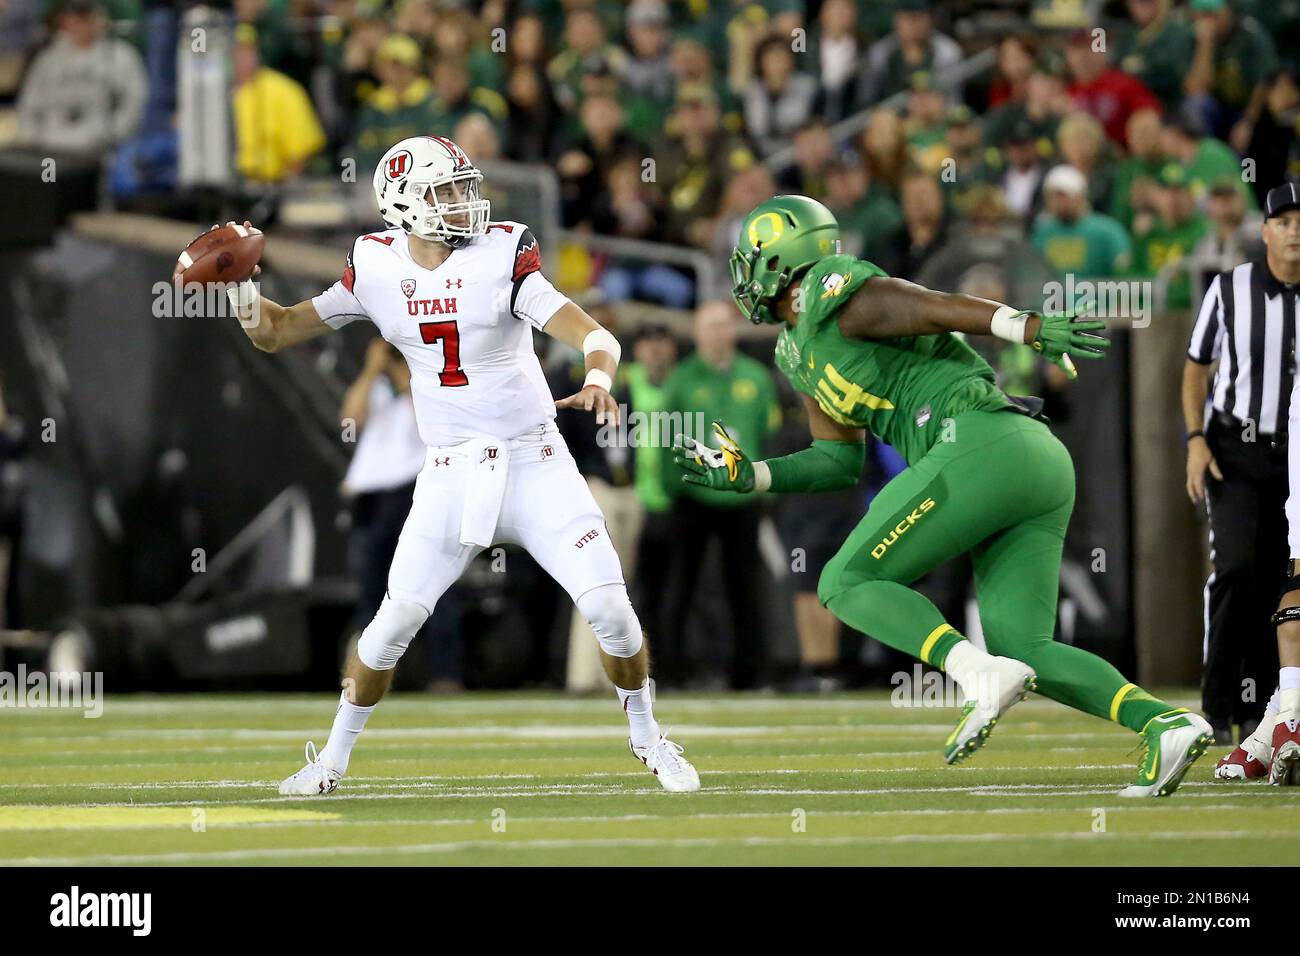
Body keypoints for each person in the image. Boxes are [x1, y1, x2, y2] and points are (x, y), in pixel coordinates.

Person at [200, 135, 699, 794]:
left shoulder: (503, 253)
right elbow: (278, 330)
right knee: (389, 627)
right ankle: (330, 762)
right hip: (451, 472)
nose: (464, 202)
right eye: (444, 192)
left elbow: (593, 333)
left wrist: (601, 374)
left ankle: (648, 738)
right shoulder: (374, 265)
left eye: (464, 186)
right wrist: (238, 290)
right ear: (402, 205)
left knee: (611, 608)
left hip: (535, 459)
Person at [676, 194, 1214, 796]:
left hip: (979, 440)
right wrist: (756, 476)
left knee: (843, 583)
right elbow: (838, 459)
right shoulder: (792, 348)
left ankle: (975, 673)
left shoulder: (834, 288)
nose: (743, 276)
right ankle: (1163, 723)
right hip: (1029, 459)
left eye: (750, 259)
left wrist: (1024, 325)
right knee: (1025, 647)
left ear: (781, 255)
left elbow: (930, 308)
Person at [1212, 182, 1300, 784]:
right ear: (1266, 229)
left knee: (1289, 577)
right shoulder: (1233, 290)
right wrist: (1195, 442)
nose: (1295, 230)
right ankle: (1257, 711)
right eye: (1285, 220)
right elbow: (1196, 367)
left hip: (1292, 448)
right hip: (1252, 449)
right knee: (1261, 574)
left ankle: (1278, 715)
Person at [659, 302, 780, 689]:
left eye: (723, 325)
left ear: (734, 331)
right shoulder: (681, 379)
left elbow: (767, 433)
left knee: (745, 588)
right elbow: (666, 441)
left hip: (742, 498)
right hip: (693, 496)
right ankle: (669, 670)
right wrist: (673, 489)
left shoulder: (756, 377)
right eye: (709, 326)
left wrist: (763, 483)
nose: (716, 334)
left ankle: (749, 672)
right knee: (681, 585)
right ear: (696, 333)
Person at [339, 338, 462, 690]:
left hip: (412, 490)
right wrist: (372, 369)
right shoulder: (375, 388)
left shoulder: (426, 384)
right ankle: (367, 676)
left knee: (432, 584)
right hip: (373, 497)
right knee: (371, 588)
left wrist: (401, 371)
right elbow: (349, 418)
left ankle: (444, 673)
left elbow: (427, 422)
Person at [16, 0, 146, 157]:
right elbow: (28, 104)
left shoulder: (121, 56)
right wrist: (34, 141)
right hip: (50, 148)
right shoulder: (47, 59)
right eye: (78, 18)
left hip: (99, 150)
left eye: (89, 17)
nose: (84, 24)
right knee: (46, 180)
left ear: (102, 19)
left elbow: (134, 104)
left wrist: (111, 136)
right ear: (65, 21)